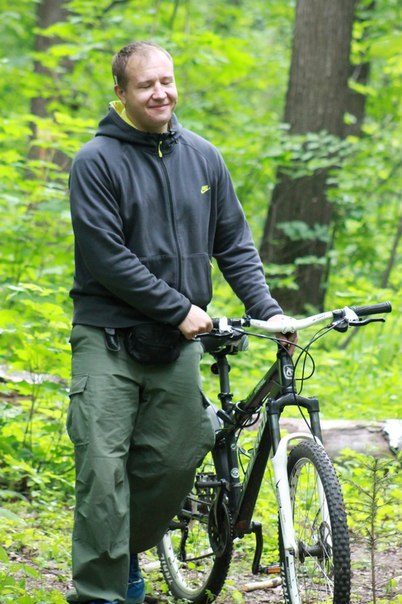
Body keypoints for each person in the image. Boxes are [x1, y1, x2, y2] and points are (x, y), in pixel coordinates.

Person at [67, 41, 294, 604]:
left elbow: (233, 245)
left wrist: (268, 311)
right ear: (120, 93)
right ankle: (103, 592)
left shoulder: (204, 157)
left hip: (175, 344)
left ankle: (122, 553)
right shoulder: (96, 161)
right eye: (145, 84)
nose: (160, 93)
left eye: (166, 81)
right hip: (107, 338)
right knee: (103, 471)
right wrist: (181, 309)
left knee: (175, 460)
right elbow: (107, 257)